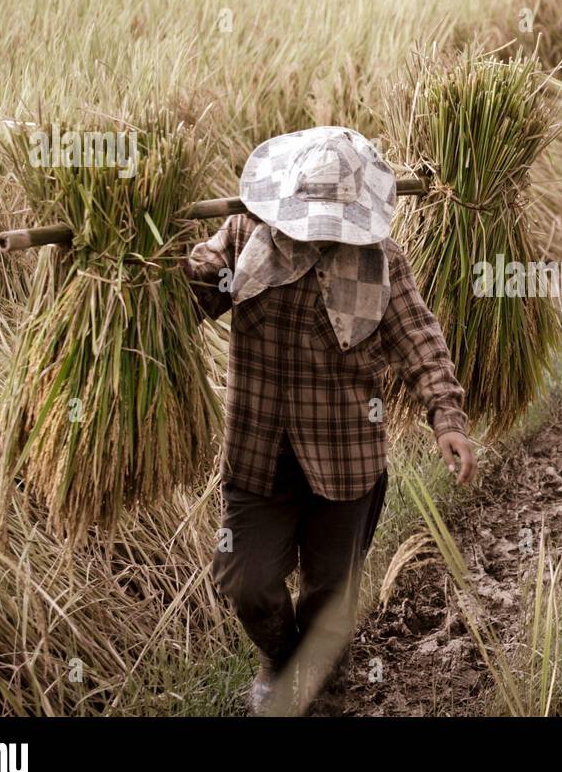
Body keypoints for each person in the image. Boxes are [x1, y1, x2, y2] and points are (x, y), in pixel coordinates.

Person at [185, 126, 478, 714]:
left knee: (330, 593)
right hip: (258, 455)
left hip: (345, 462)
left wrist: (446, 415)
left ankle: (316, 677)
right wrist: (147, 259)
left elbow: (421, 341)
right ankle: (284, 660)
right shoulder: (246, 235)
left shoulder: (378, 261)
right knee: (246, 580)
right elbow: (197, 290)